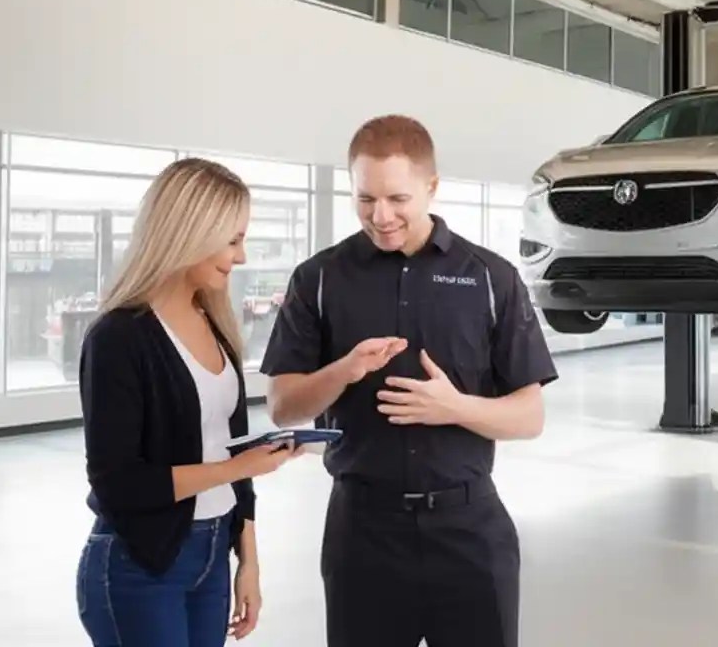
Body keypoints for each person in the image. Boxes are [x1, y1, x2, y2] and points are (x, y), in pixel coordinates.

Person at [261, 114, 558, 647]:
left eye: (398, 199)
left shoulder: (491, 278)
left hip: (470, 531)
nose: (381, 216)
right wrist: (345, 369)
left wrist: (455, 407)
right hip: (362, 533)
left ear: (432, 187)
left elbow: (529, 417)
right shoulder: (319, 279)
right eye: (365, 199)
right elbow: (283, 408)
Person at [75, 158, 308, 647]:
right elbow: (118, 483)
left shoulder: (216, 325)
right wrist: (239, 466)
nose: (241, 256)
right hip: (140, 564)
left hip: (211, 556)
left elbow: (232, 447)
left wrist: (249, 559)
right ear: (190, 232)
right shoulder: (118, 337)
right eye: (232, 240)